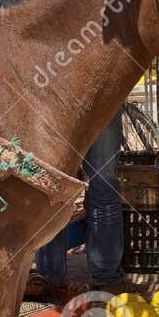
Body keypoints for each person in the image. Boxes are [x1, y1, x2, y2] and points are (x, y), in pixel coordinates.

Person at [34, 122, 124, 291]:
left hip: (56, 100)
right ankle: (107, 279)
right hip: (103, 102)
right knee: (103, 185)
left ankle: (49, 278)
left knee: (53, 184)